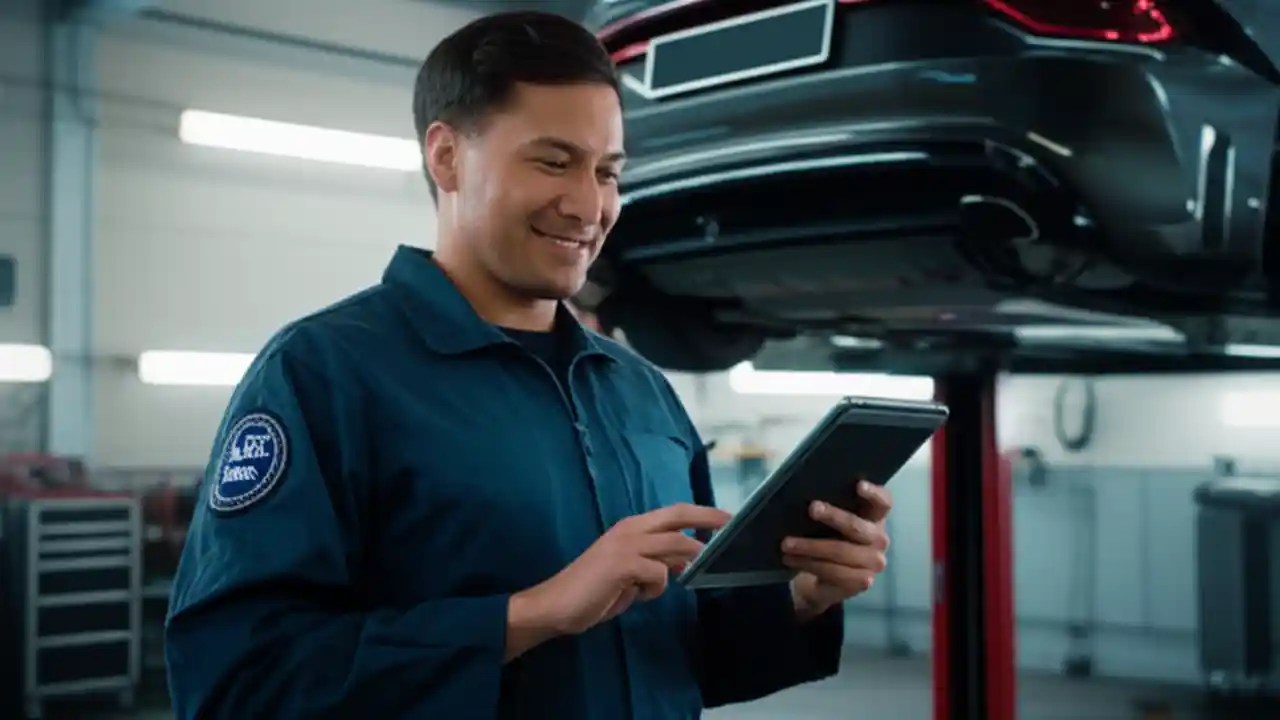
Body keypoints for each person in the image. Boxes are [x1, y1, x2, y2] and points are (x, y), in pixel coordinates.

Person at [164, 10, 894, 719]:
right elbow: (235, 682)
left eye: (608, 172)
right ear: (446, 155)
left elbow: (678, 656)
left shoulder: (638, 391)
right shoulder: (324, 375)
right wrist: (528, 616)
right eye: (554, 162)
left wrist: (801, 596)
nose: (589, 205)